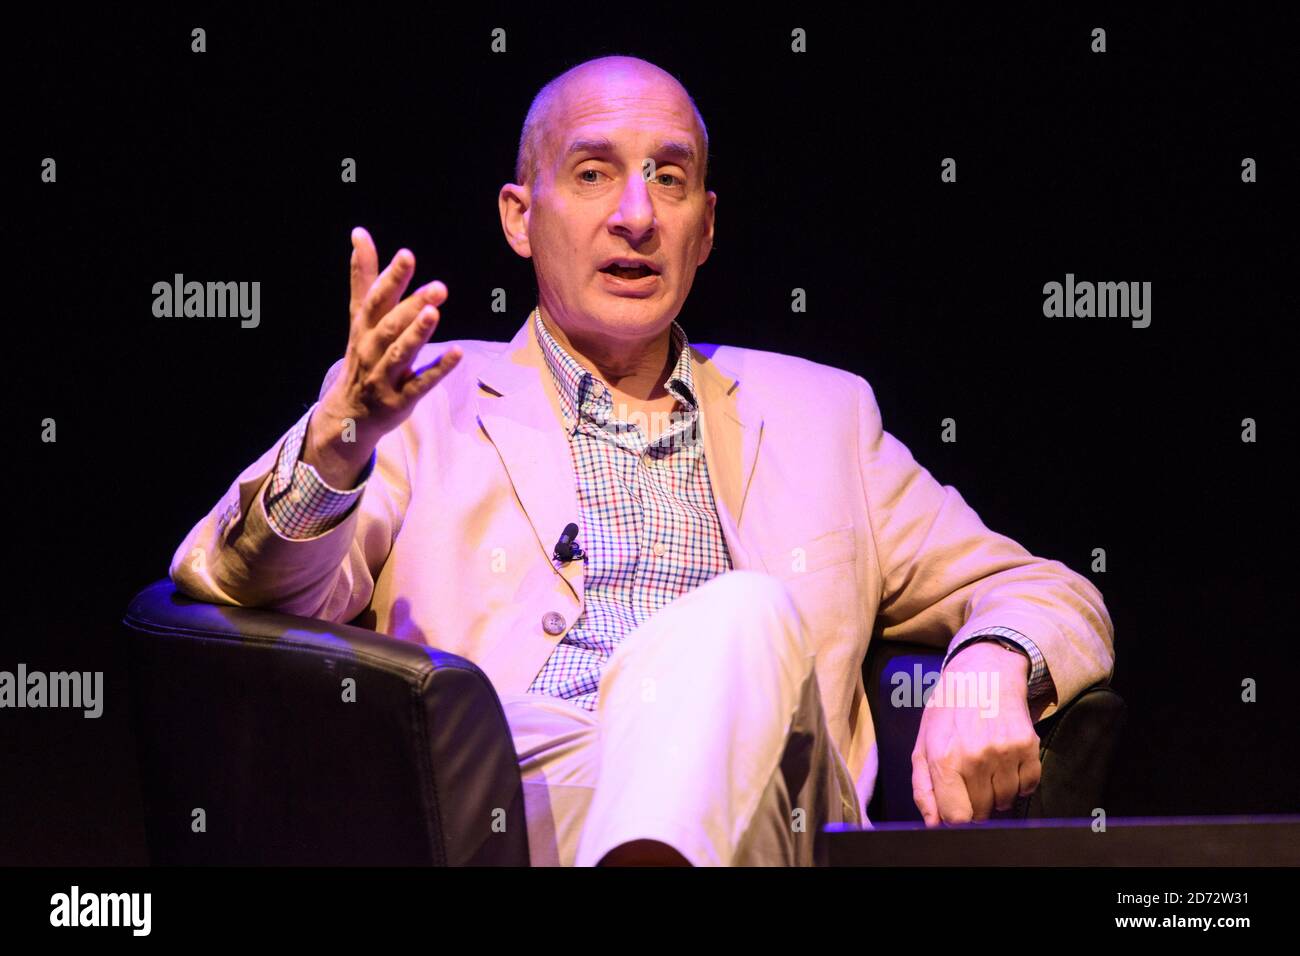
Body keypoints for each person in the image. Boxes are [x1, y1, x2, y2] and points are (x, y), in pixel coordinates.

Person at [170, 55, 1115, 866]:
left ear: (706, 226)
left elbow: (1049, 591)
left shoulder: (825, 414)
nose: (636, 215)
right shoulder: (425, 400)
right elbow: (241, 584)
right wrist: (341, 441)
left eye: (669, 179)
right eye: (592, 174)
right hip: (517, 805)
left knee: (738, 616)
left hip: (770, 820)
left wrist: (993, 658)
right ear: (517, 216)